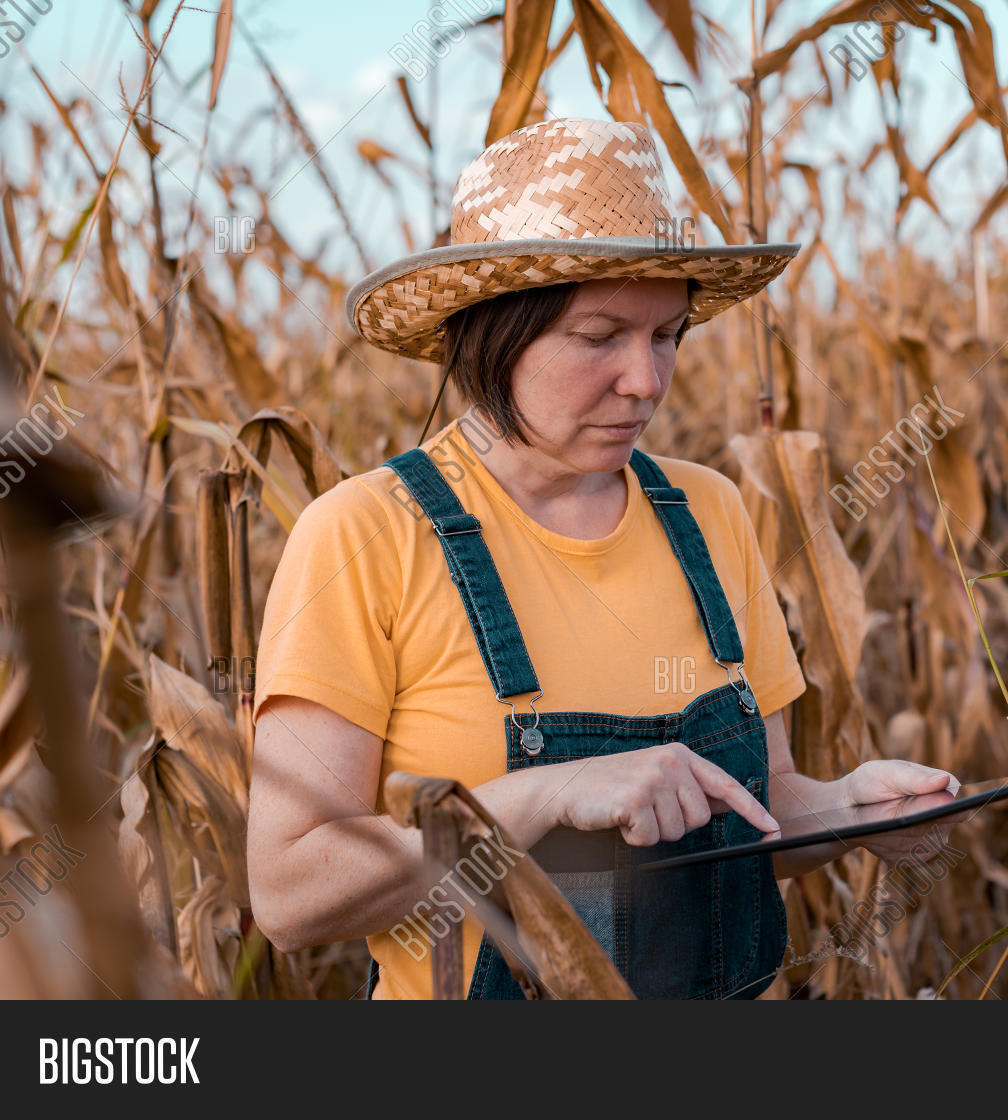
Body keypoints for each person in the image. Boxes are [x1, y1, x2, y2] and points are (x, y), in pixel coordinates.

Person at [247, 118, 956, 1000]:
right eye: (599, 337)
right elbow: (288, 891)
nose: (646, 381)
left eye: (666, 335)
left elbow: (756, 811)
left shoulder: (708, 513)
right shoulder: (365, 536)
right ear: (491, 334)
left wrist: (854, 810)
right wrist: (547, 797)